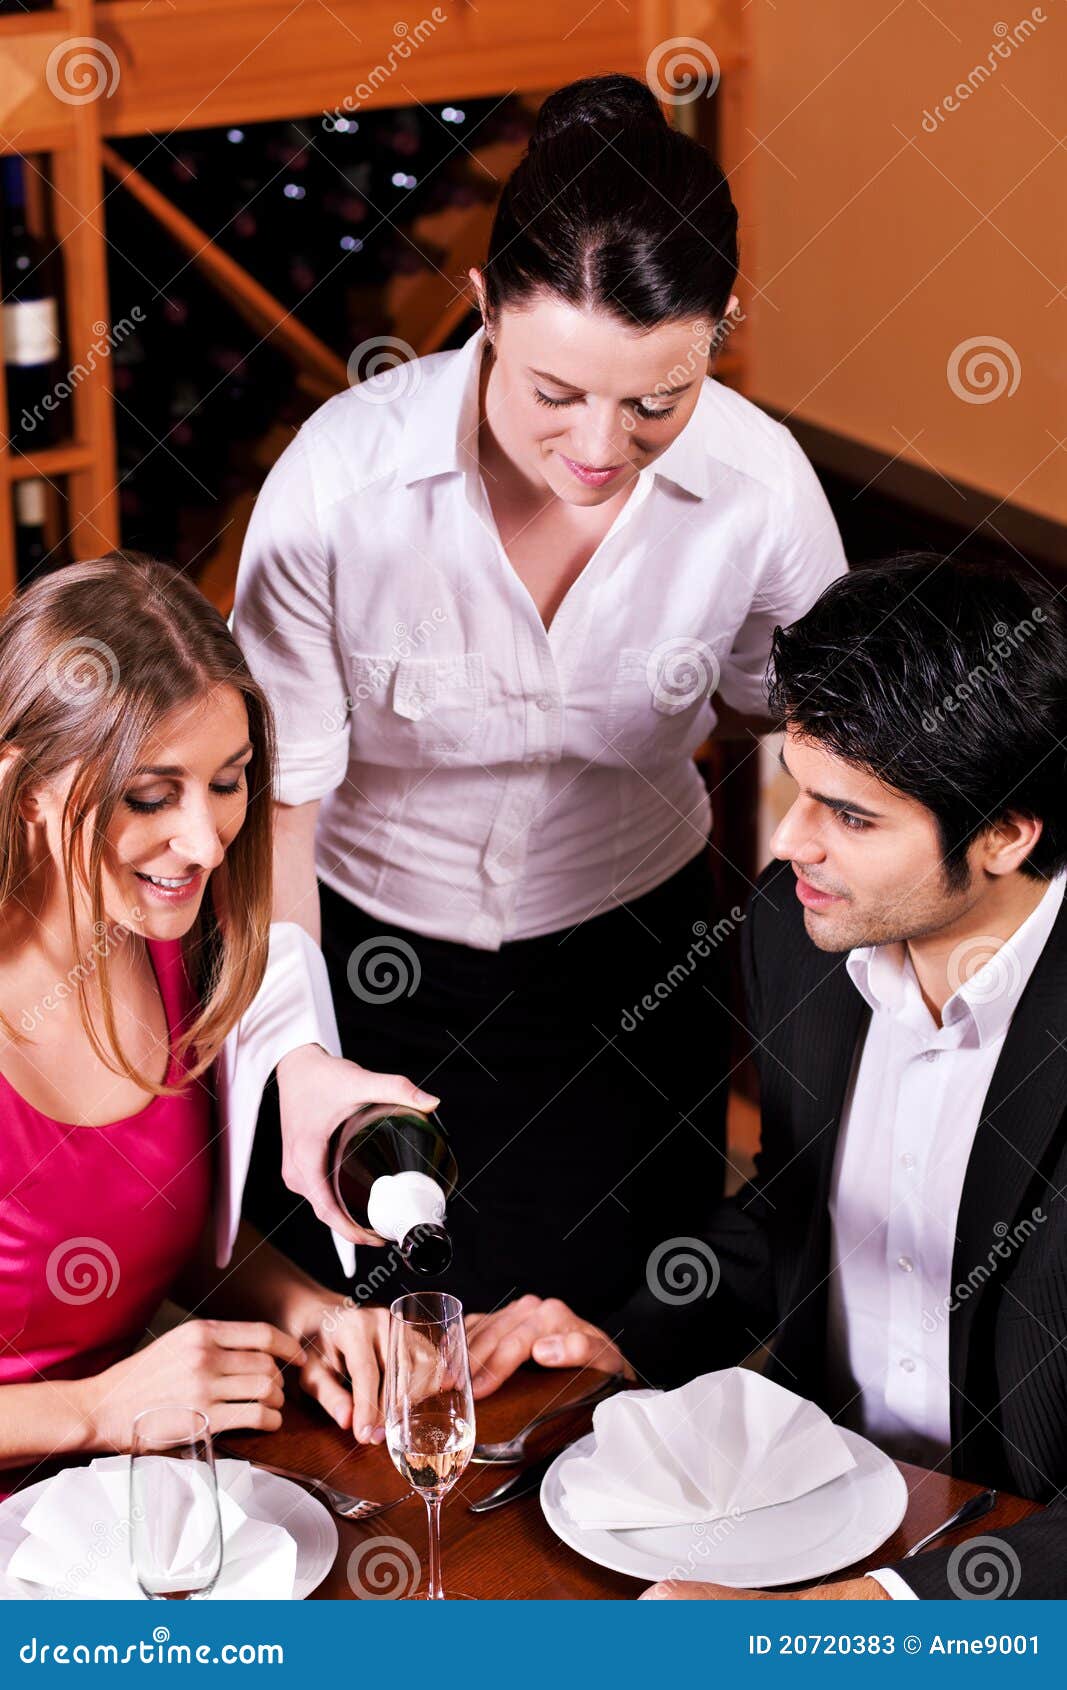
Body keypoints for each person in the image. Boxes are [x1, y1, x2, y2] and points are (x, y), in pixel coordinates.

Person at [228, 71, 847, 1333]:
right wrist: (296, 1058)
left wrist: (822, 1036)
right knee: (388, 1352)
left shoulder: (760, 489)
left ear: (716, 331)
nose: (599, 449)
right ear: (481, 307)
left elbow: (817, 749)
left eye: (655, 402)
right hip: (370, 963)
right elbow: (275, 821)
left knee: (628, 1344)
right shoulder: (338, 490)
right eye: (553, 394)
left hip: (638, 967)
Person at [460, 556, 1067, 1600]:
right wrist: (622, 1338)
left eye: (850, 816)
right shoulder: (798, 932)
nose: (789, 842)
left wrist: (876, 1615)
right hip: (810, 1510)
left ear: (1006, 835)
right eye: (796, 785)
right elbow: (787, 1208)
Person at [0, 553, 529, 1488]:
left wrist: (310, 1312)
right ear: (28, 786)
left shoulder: (169, 947)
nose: (205, 844)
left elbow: (141, 1235)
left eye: (229, 781)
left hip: (123, 1489)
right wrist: (97, 1409)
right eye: (150, 796)